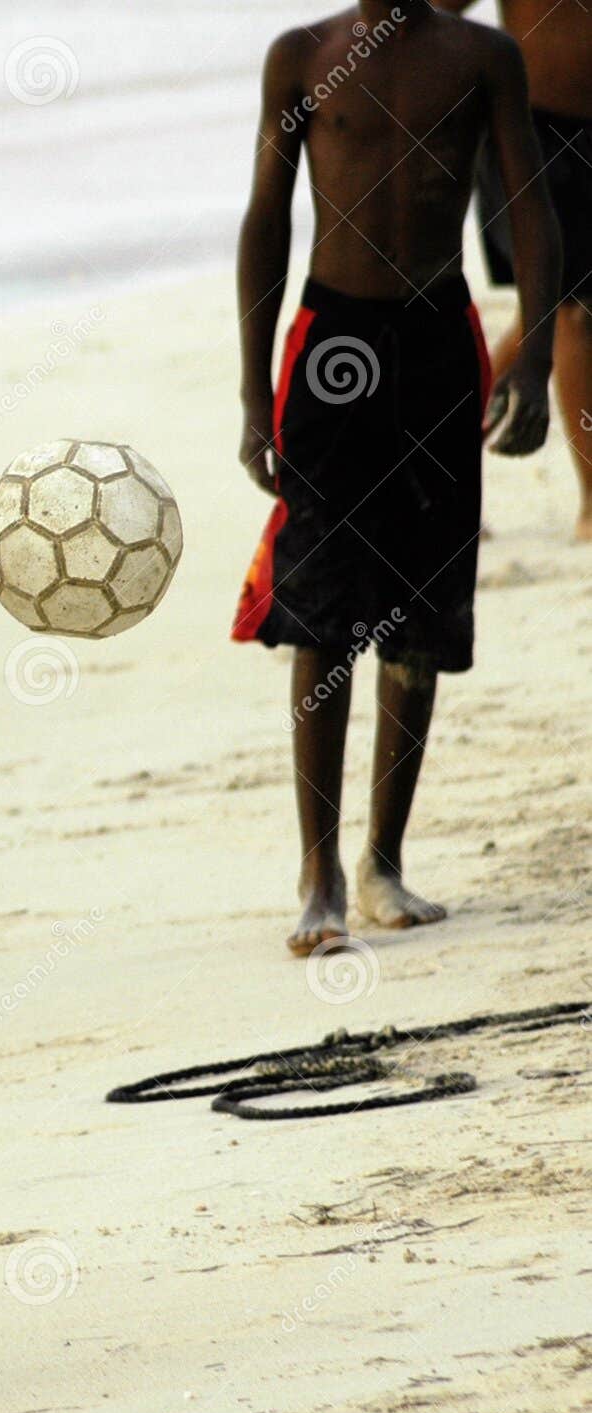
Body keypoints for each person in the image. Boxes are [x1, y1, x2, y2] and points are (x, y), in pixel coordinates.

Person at [232, 0, 560, 955]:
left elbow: (528, 207)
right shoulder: (301, 57)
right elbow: (265, 217)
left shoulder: (482, 57)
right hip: (332, 340)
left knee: (423, 606)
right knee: (324, 608)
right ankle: (319, 871)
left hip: (435, 344)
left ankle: (383, 859)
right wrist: (256, 390)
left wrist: (532, 363)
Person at [436, 0, 592, 540]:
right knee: (573, 311)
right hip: (536, 135)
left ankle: (431, 471)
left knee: (548, 318)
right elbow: (429, 13)